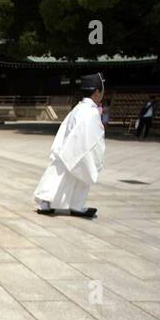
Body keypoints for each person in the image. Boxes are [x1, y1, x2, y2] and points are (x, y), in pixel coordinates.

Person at [33, 73, 106, 219]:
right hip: (76, 150)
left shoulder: (79, 108)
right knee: (72, 177)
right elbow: (93, 136)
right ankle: (67, 205)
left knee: (63, 177)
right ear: (97, 92)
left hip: (69, 148)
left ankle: (62, 204)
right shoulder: (90, 111)